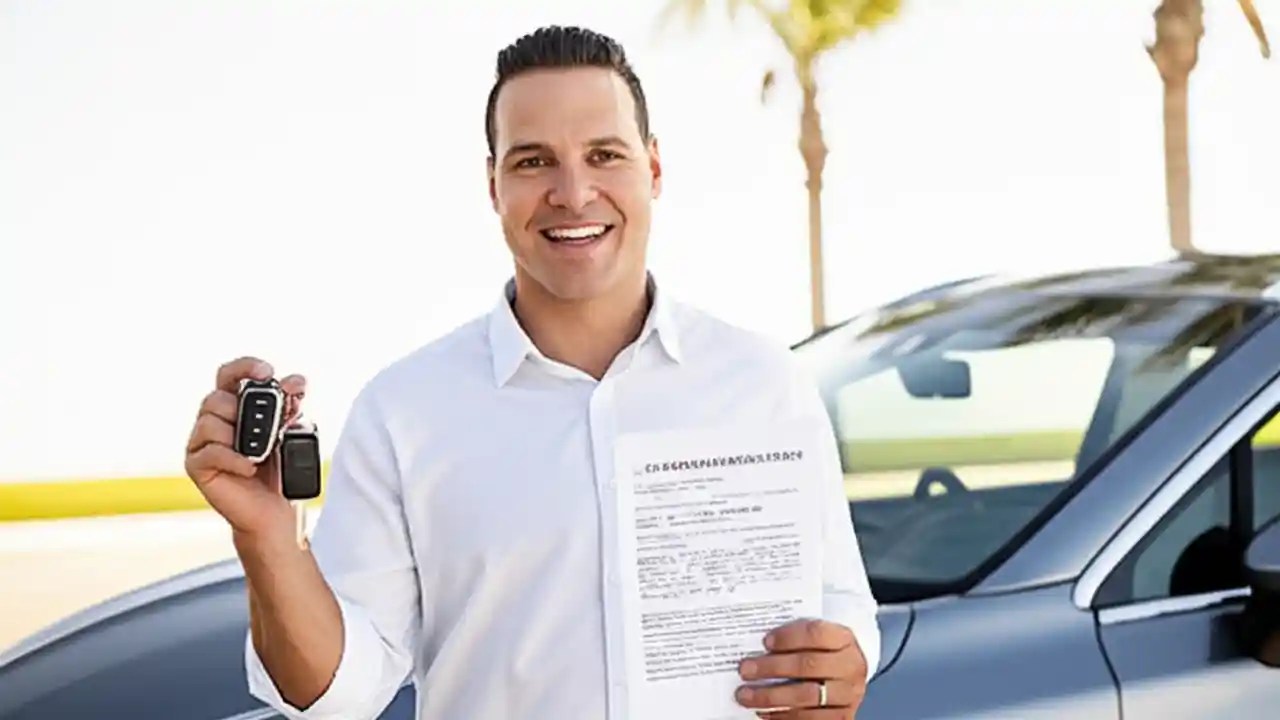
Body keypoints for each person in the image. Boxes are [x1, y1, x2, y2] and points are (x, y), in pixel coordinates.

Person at [183, 24, 880, 720]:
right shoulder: (404, 414)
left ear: (655, 169)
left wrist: (844, 661)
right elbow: (338, 697)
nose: (573, 193)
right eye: (533, 162)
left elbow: (841, 604)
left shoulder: (763, 383)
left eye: (604, 155)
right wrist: (269, 542)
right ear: (493, 185)